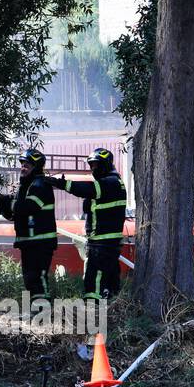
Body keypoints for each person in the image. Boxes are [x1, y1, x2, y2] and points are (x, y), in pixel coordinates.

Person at [45, 147, 128, 355]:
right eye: (91, 165)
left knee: (95, 283)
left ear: (106, 164)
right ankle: (101, 321)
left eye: (96, 165)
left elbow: (86, 189)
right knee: (102, 282)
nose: (93, 168)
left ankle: (95, 324)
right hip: (100, 243)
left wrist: (61, 183)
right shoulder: (109, 182)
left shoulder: (109, 182)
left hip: (104, 244)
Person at [0, 147, 57, 306]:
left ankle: (43, 311)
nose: (23, 167)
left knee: (38, 278)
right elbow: (15, 214)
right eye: (22, 164)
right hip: (29, 242)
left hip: (40, 242)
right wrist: (2, 205)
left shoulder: (40, 185)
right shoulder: (25, 187)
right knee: (30, 279)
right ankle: (37, 311)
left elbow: (28, 207)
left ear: (36, 167)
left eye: (27, 165)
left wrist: (6, 201)